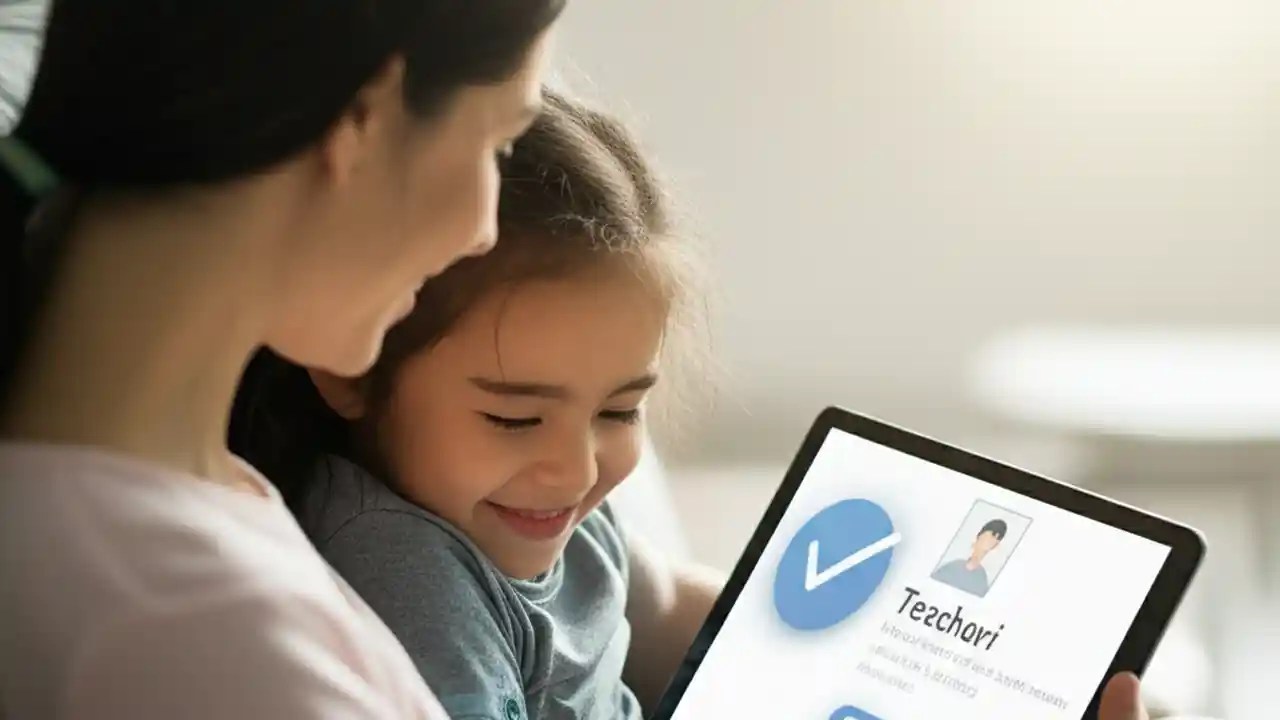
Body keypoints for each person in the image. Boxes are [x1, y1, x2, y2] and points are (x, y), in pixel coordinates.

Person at [0, 1, 562, 717]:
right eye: (499, 144)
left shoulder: (174, 498)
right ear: (368, 115)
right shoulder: (191, 637)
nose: (484, 234)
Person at [230, 89, 720, 720]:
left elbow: (662, 607)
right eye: (515, 420)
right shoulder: (405, 574)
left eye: (618, 412)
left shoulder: (546, 510)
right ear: (349, 370)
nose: (578, 472)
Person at [932, 518, 1008, 597]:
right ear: (980, 535)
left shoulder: (981, 578)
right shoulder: (954, 564)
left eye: (998, 538)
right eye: (992, 534)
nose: (993, 540)